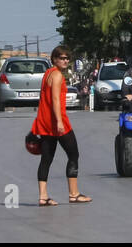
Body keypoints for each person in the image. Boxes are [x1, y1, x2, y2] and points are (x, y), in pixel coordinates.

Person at [32, 46, 89, 206]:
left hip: (44, 122)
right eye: (61, 58)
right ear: (54, 59)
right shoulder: (57, 76)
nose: (65, 61)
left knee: (46, 159)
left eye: (66, 58)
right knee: (73, 154)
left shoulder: (48, 73)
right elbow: (56, 100)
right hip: (57, 122)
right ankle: (74, 194)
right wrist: (59, 122)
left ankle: (43, 196)